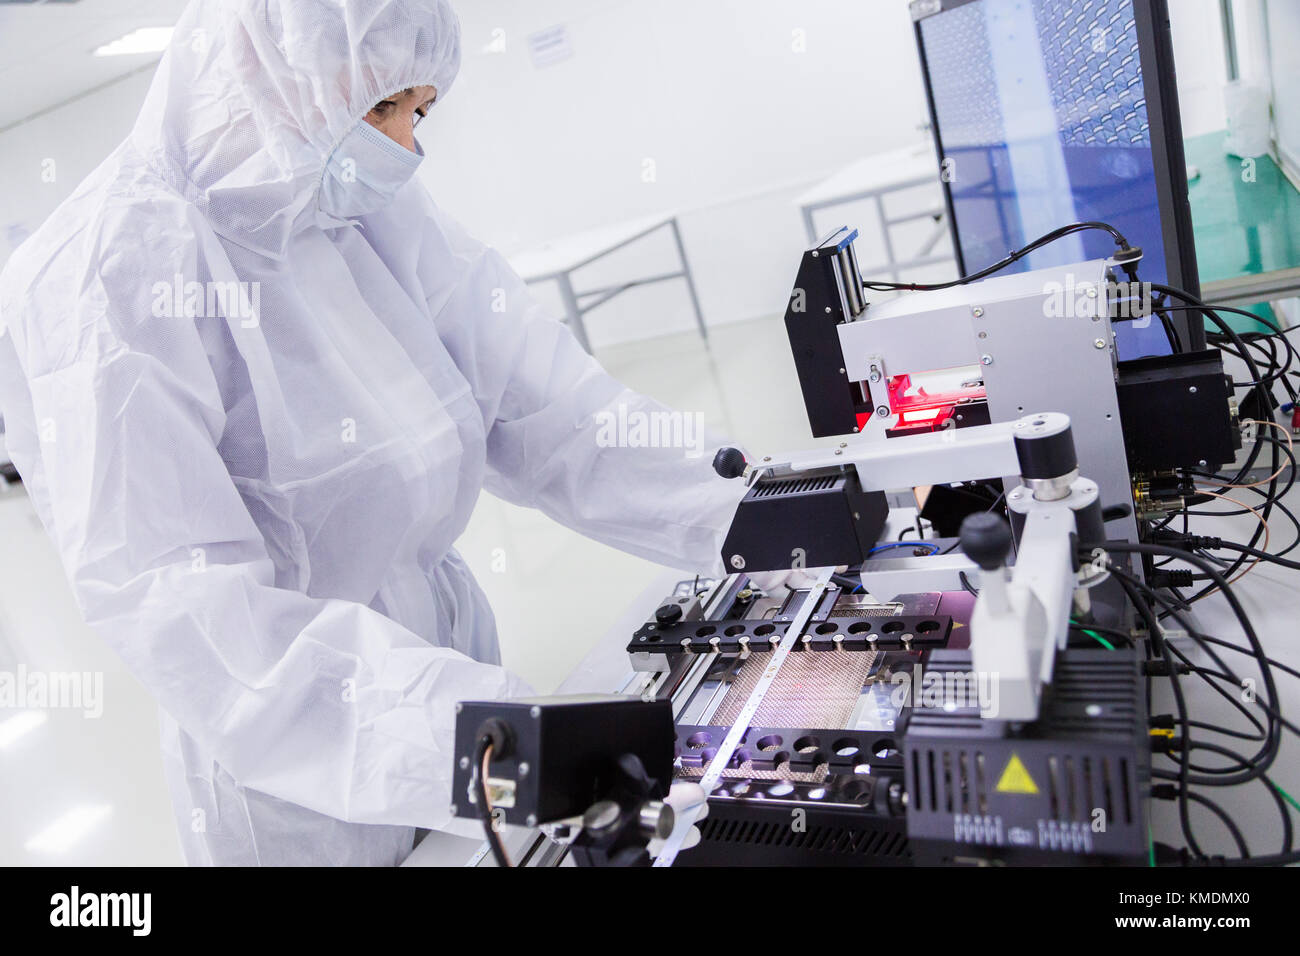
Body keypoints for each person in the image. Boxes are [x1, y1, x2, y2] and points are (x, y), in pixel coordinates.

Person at [0, 0, 742, 865]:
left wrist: (750, 511)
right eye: (380, 107)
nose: (402, 145)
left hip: (441, 681)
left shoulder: (355, 204)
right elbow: (193, 614)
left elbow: (544, 405)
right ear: (260, 71)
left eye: (419, 111)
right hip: (297, 783)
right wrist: (488, 746)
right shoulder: (106, 270)